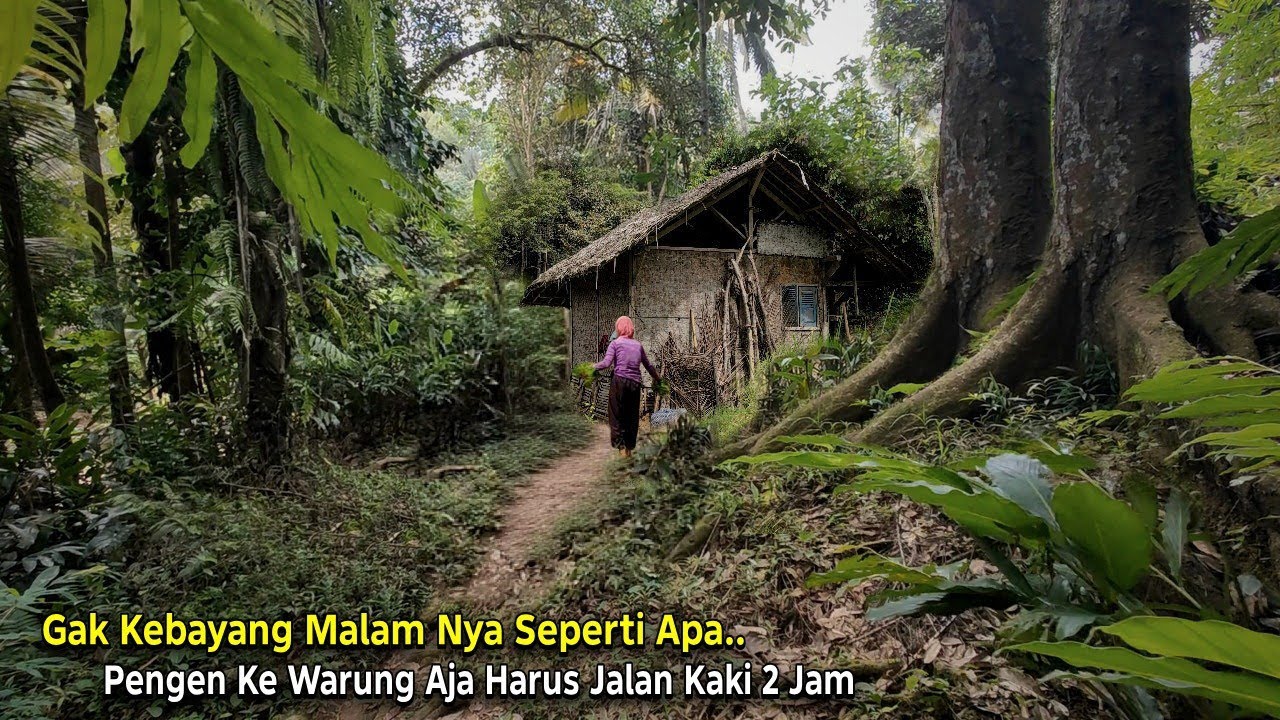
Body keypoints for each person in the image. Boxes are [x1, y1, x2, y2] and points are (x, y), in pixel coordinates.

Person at [594, 316, 659, 457]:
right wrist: (658, 379)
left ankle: (621, 451)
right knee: (631, 417)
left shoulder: (615, 344)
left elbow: (605, 364)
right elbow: (649, 366)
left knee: (616, 416)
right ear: (631, 329)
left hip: (619, 383)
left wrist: (592, 367)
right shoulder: (638, 345)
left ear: (618, 328)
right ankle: (628, 451)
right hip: (635, 385)